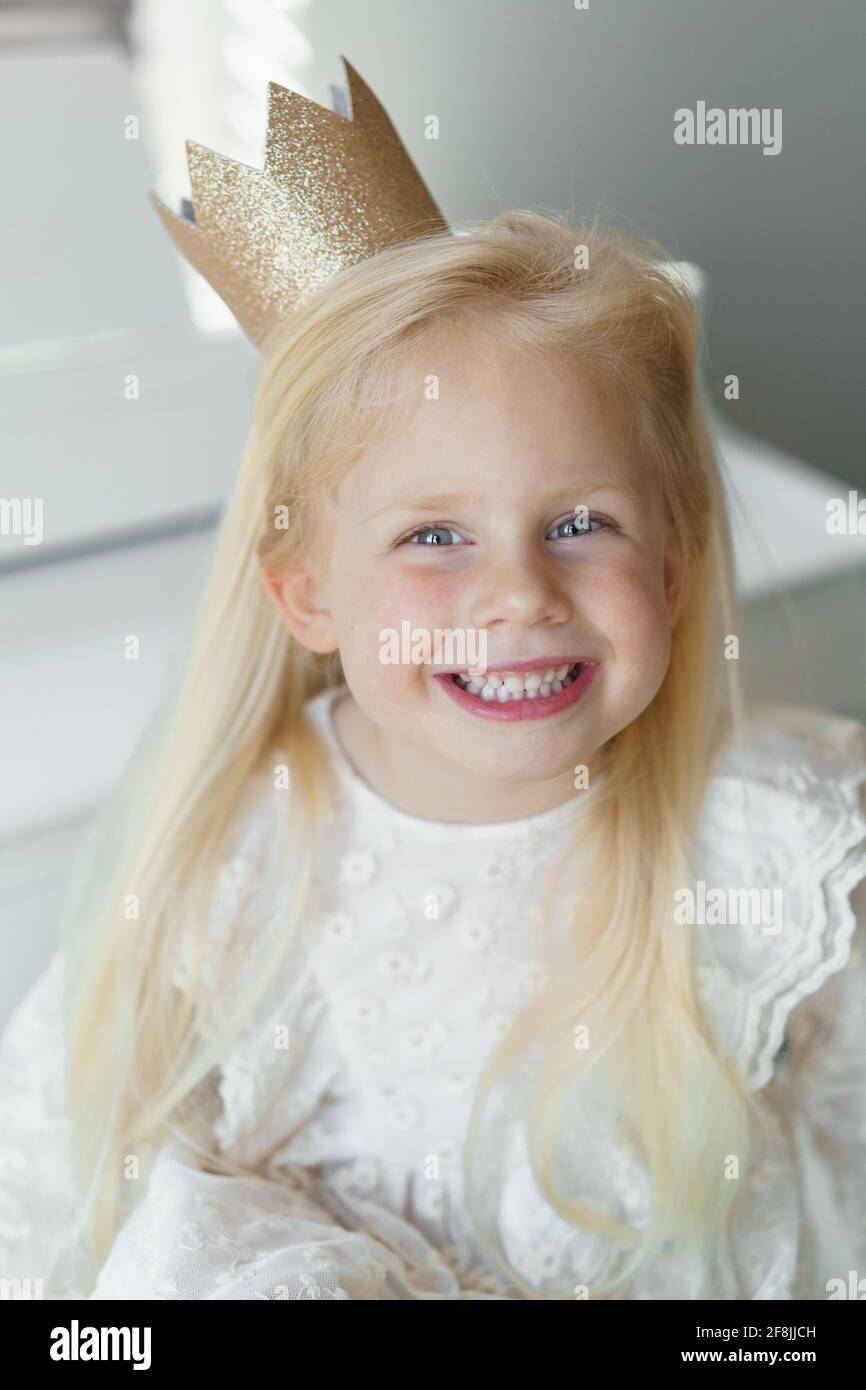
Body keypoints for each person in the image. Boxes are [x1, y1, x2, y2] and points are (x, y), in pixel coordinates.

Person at [2, 60, 864, 1301]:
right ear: (306, 593)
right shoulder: (237, 866)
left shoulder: (774, 850)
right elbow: (59, 1199)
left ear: (673, 565)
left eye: (579, 523)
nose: (517, 594)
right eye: (432, 536)